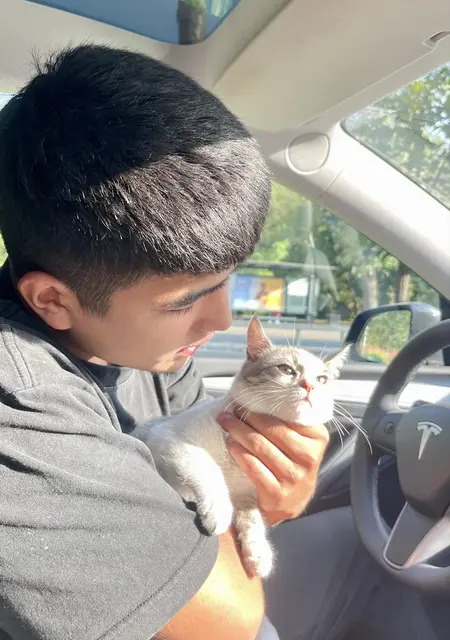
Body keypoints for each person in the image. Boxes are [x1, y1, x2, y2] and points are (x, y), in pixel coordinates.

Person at [0, 44, 330, 639]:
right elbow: (227, 620)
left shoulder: (155, 355)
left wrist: (267, 493)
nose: (222, 321)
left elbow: (214, 479)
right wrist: (261, 505)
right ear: (51, 300)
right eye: (185, 300)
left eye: (227, 281)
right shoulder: (18, 406)